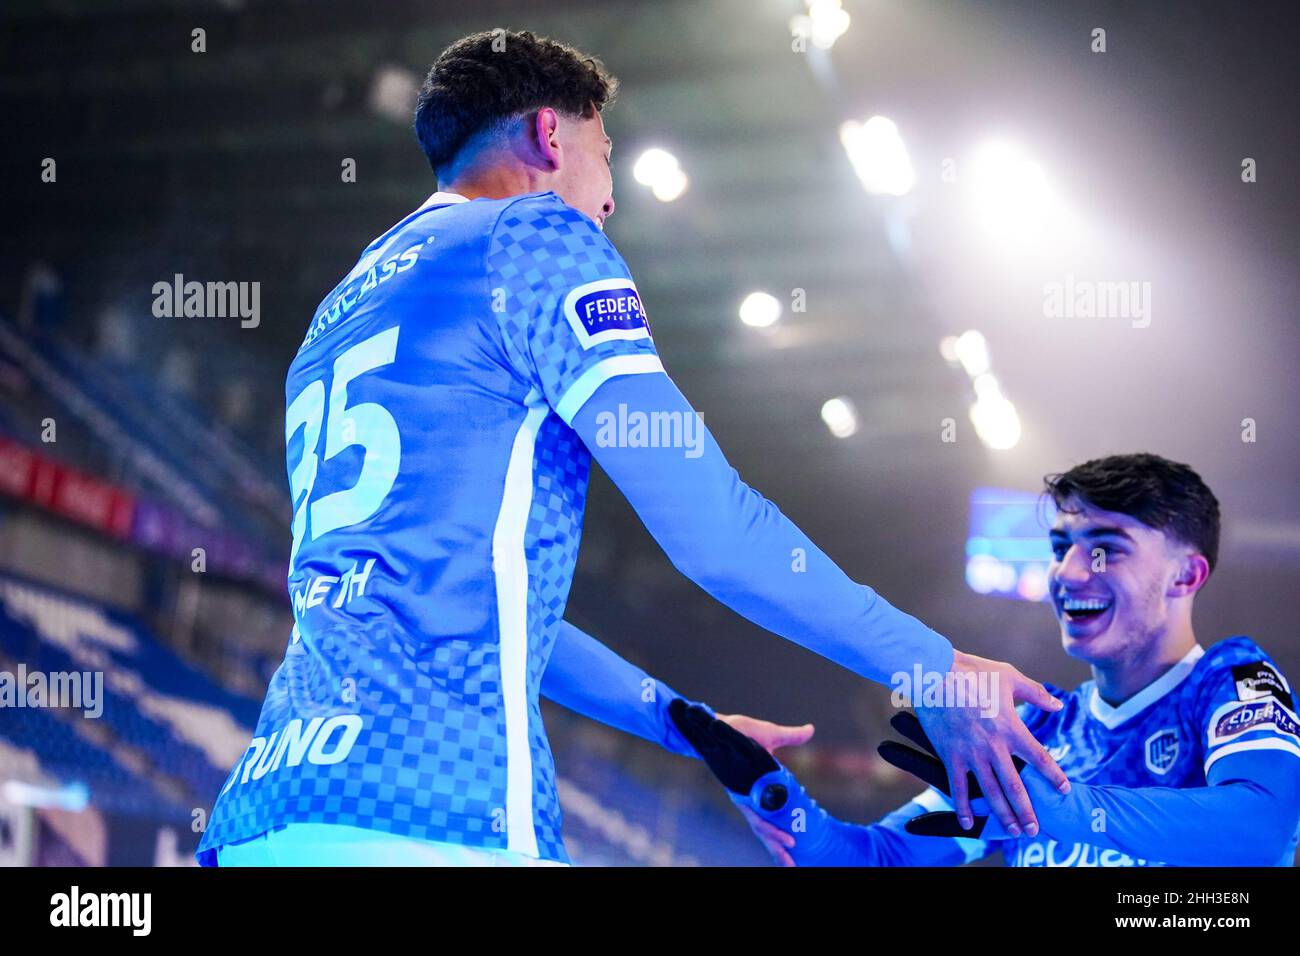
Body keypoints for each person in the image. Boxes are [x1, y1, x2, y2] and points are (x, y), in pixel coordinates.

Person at [196, 29, 1063, 867]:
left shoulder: (337, 312)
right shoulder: (532, 234)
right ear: (548, 133)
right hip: (439, 813)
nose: (608, 198)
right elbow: (713, 531)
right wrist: (934, 666)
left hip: (265, 813)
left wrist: (683, 720)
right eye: (603, 153)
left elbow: (495, 607)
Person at [684, 454, 1300, 866]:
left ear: (1185, 575)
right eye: (1061, 547)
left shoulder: (1232, 677)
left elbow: (1260, 823)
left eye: (1106, 549)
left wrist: (1063, 809)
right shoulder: (1036, 732)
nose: (1068, 572)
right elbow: (875, 860)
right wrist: (767, 790)